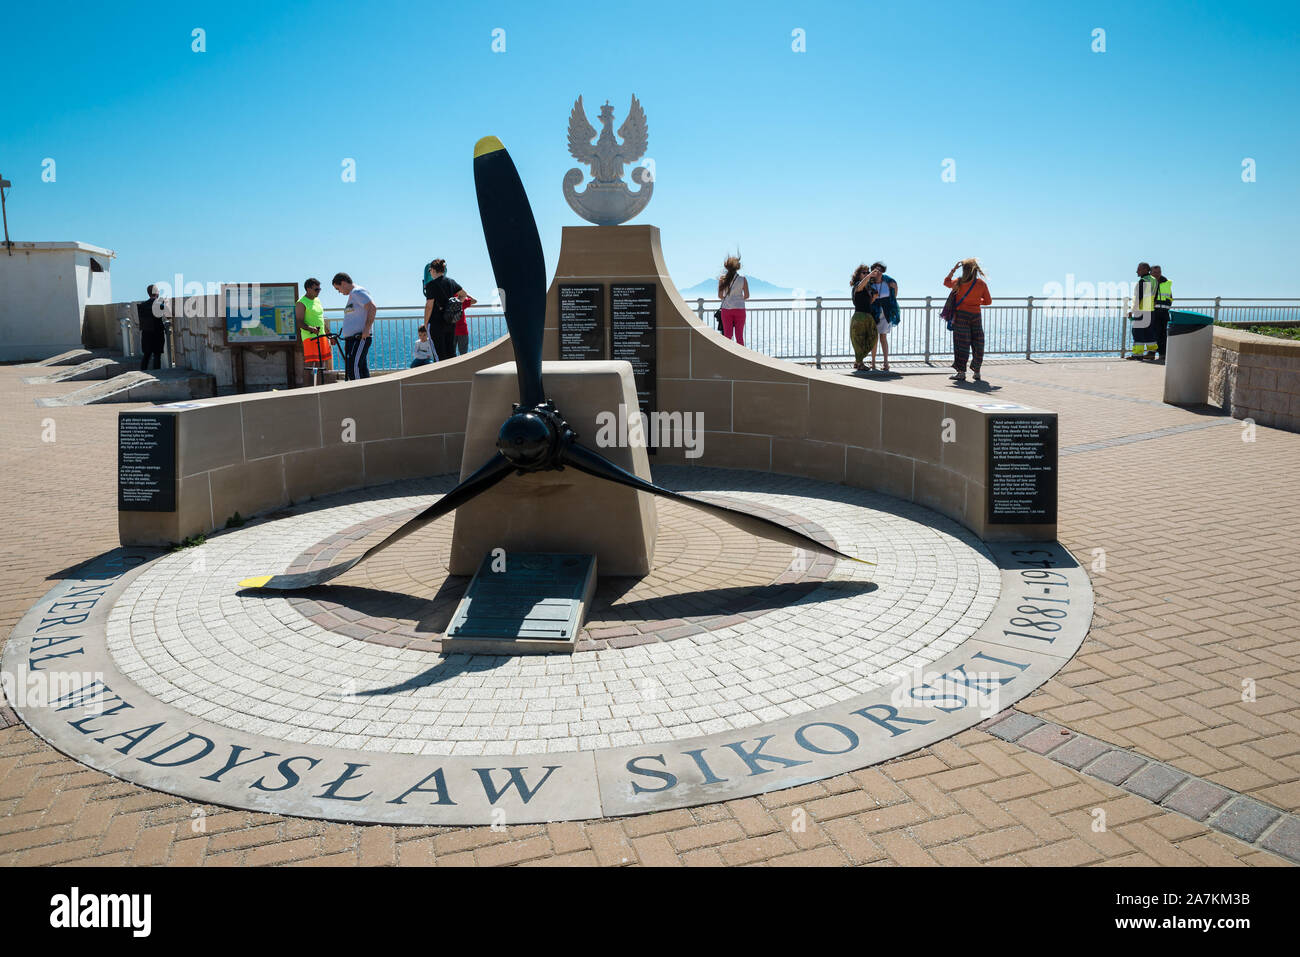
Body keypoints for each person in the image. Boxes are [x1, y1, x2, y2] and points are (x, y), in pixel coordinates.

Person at [943, 258, 992, 382]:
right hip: (976, 316)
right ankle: (977, 372)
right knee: (978, 343)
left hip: (961, 317)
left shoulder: (958, 282)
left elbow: (946, 282)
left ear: (964, 270)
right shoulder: (981, 284)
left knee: (961, 344)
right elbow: (988, 301)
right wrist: (976, 301)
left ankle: (961, 373)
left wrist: (953, 269)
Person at [423, 259, 472, 361]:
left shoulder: (431, 285)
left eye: (430, 270)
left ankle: (441, 376)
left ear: (432, 270)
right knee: (451, 352)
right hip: (450, 323)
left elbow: (429, 306)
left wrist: (426, 323)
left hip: (436, 323)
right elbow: (463, 294)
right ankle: (452, 375)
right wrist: (456, 303)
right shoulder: (451, 282)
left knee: (438, 353)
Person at [332, 272, 375, 380]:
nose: (339, 292)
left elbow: (372, 307)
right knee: (360, 367)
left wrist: (366, 329)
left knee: (353, 367)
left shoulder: (357, 292)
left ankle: (357, 393)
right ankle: (365, 393)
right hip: (353, 339)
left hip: (359, 337)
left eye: (338, 289)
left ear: (343, 283)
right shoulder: (353, 295)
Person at [295, 278, 328, 385]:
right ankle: (307, 389)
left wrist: (328, 335)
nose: (318, 291)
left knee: (320, 364)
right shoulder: (301, 302)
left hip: (321, 336)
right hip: (310, 337)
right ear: (308, 289)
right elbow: (299, 322)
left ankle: (319, 388)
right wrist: (311, 329)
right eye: (316, 289)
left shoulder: (317, 300)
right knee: (309, 365)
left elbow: (320, 319)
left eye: (319, 289)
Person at [868, 262, 899, 372]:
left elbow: (894, 294)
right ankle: (873, 363)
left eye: (880, 270)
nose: (878, 272)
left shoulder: (888, 282)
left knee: (883, 337)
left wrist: (891, 304)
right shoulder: (869, 283)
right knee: (874, 338)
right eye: (876, 270)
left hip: (885, 312)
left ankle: (886, 363)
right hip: (873, 312)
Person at [849, 264, 879, 371]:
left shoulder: (867, 288)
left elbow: (868, 303)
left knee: (872, 337)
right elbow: (860, 286)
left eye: (867, 272)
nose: (866, 274)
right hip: (859, 317)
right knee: (859, 340)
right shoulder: (858, 285)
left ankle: (858, 361)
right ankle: (859, 363)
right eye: (864, 272)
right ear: (858, 275)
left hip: (867, 316)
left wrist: (873, 298)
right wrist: (870, 275)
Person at [1126, 262, 1159, 361]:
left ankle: (1137, 355)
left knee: (1137, 332)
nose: (1137, 271)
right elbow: (1155, 296)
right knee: (1149, 332)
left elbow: (1138, 298)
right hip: (1151, 310)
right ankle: (1151, 353)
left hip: (1141, 310)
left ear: (1145, 269)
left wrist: (1132, 311)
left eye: (1139, 269)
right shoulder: (1154, 280)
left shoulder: (1143, 281)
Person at [717, 255, 749, 345]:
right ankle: (741, 356)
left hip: (726, 309)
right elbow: (747, 295)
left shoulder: (722, 279)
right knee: (739, 336)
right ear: (737, 267)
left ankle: (728, 356)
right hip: (740, 309)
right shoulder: (743, 279)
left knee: (727, 335)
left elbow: (720, 296)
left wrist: (728, 299)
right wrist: (738, 298)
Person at [137, 284, 167, 371]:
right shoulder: (160, 304)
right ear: (156, 293)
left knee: (146, 356)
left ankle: (142, 373)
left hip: (146, 334)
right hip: (157, 334)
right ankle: (157, 374)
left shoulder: (142, 306)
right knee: (157, 356)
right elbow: (168, 315)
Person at [1151, 264, 1172, 362]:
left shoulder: (1166, 283)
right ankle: (1151, 353)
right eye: (1155, 272)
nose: (1157, 274)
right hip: (1153, 312)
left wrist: (1166, 304)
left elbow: (1170, 297)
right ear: (1151, 273)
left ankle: (1163, 354)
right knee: (1153, 333)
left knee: (1163, 334)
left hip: (1164, 312)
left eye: (1159, 272)